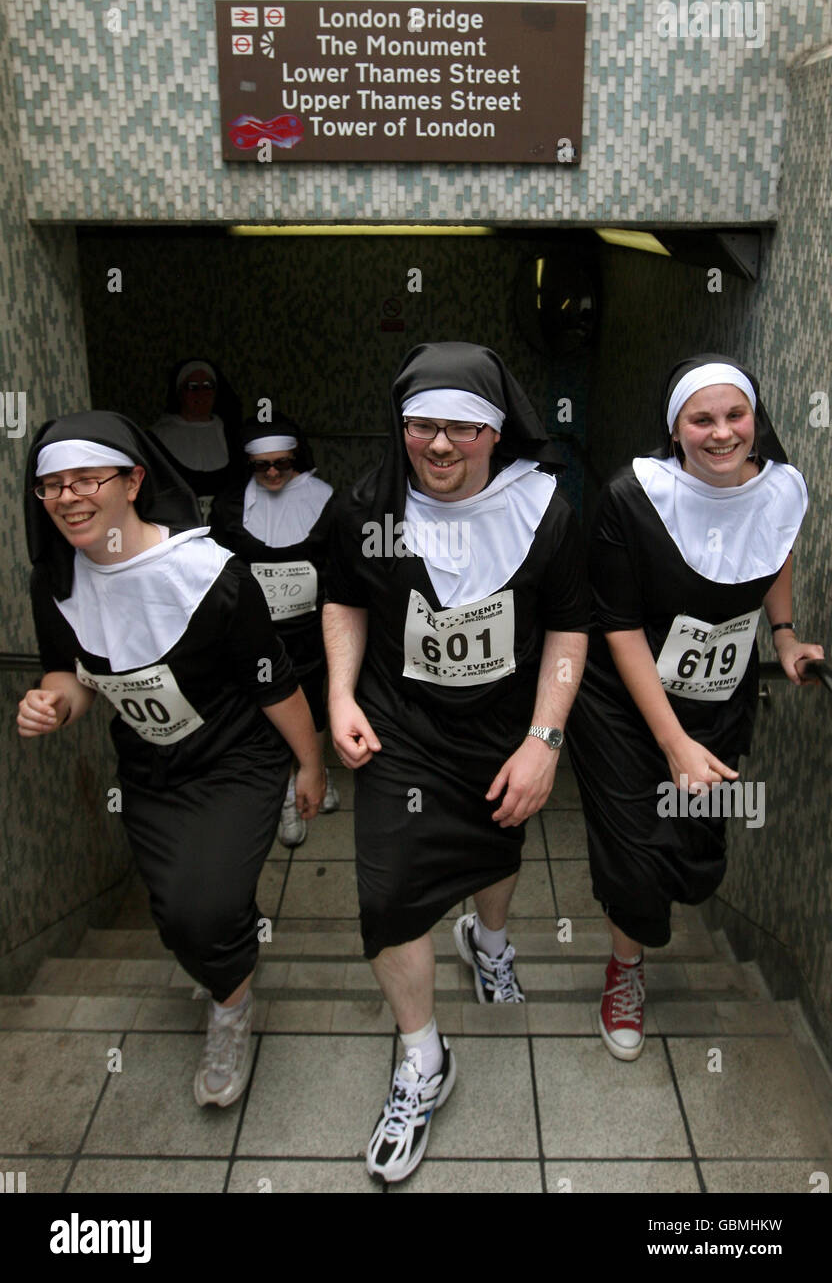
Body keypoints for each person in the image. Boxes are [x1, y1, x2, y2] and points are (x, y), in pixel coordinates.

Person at [322, 341, 590, 1184]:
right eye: (423, 427)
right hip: (400, 724)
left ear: (496, 431)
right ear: (401, 428)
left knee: (496, 849)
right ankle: (421, 1058)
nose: (440, 447)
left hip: (504, 725)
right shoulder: (368, 502)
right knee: (390, 890)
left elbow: (570, 626)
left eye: (463, 430)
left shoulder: (547, 510)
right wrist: (338, 696)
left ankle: (490, 940)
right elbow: (343, 597)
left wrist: (544, 741)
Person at [18, 411, 325, 1107]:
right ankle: (222, 957)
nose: (67, 496)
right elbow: (69, 673)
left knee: (204, 909)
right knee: (176, 912)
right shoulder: (55, 581)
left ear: (133, 481)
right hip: (150, 770)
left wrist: (309, 765)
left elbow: (273, 682)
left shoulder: (210, 575)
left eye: (86, 479)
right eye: (50, 486)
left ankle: (231, 1007)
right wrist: (53, 702)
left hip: (236, 760)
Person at [566, 355, 824, 1062]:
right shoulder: (631, 497)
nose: (721, 434)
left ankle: (648, 915)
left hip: (719, 696)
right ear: (674, 430)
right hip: (624, 705)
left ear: (755, 420)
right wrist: (672, 742)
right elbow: (616, 628)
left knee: (695, 855)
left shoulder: (779, 488)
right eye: (701, 419)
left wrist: (785, 634)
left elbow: (773, 550)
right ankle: (626, 971)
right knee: (637, 862)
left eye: (734, 416)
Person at [211, 411, 340, 847]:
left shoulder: (327, 499)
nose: (270, 473)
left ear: (296, 459)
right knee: (267, 704)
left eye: (281, 464)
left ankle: (315, 772)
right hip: (253, 633)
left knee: (314, 701)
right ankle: (288, 793)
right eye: (261, 466)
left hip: (309, 628)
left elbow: (341, 565)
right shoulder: (229, 506)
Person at [148, 359, 242, 522]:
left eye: (207, 386)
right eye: (192, 387)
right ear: (179, 392)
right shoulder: (156, 437)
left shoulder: (231, 435)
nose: (201, 393)